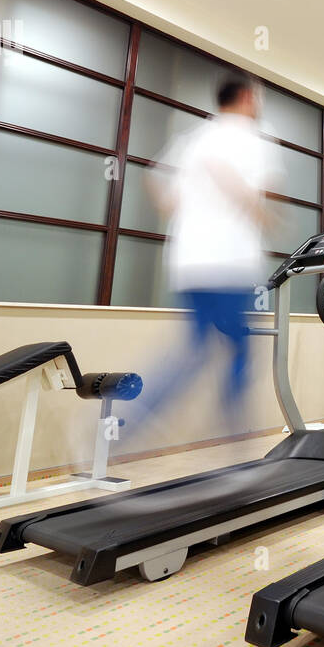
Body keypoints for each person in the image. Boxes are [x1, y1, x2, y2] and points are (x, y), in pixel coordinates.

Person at [129, 73, 280, 437]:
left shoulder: (195, 138)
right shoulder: (251, 137)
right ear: (245, 98)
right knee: (237, 353)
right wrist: (261, 212)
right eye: (257, 97)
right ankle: (237, 450)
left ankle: (115, 426)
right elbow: (263, 191)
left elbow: (153, 179)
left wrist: (177, 207)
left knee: (197, 351)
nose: (258, 105)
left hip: (188, 263)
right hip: (228, 264)